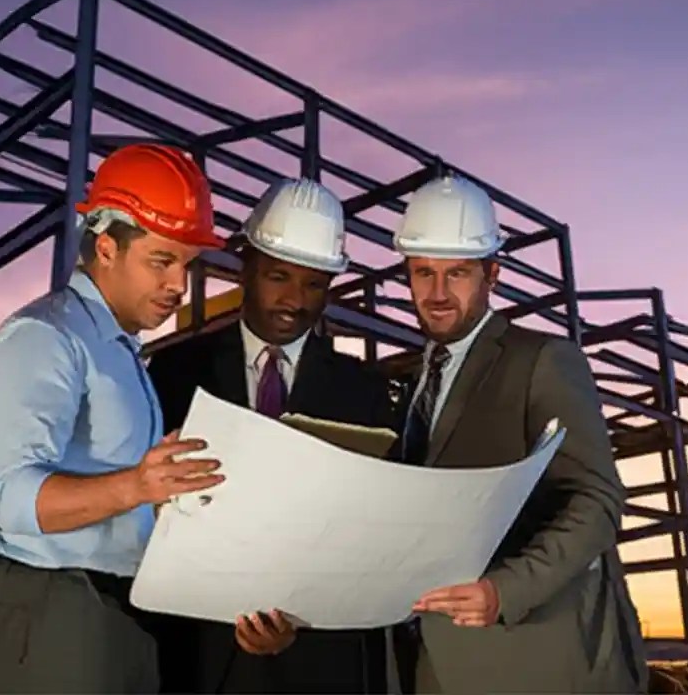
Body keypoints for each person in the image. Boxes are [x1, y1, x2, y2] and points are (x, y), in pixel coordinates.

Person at [0, 143, 228, 694]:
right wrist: (137, 485)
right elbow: (10, 498)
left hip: (114, 612)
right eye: (162, 261)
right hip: (52, 605)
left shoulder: (121, 351)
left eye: (187, 264)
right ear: (105, 248)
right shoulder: (45, 336)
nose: (180, 284)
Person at [390, 174, 648, 694]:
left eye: (457, 273)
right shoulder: (415, 385)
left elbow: (597, 501)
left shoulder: (543, 361)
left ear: (493, 275)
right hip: (434, 665)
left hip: (535, 662)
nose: (437, 294)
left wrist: (503, 592)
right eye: (423, 273)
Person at [146, 177, 397, 694]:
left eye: (314, 285)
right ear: (247, 267)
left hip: (318, 660)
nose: (294, 301)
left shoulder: (365, 395)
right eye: (279, 277)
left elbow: (370, 536)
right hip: (199, 656)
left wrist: (302, 614)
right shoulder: (174, 374)